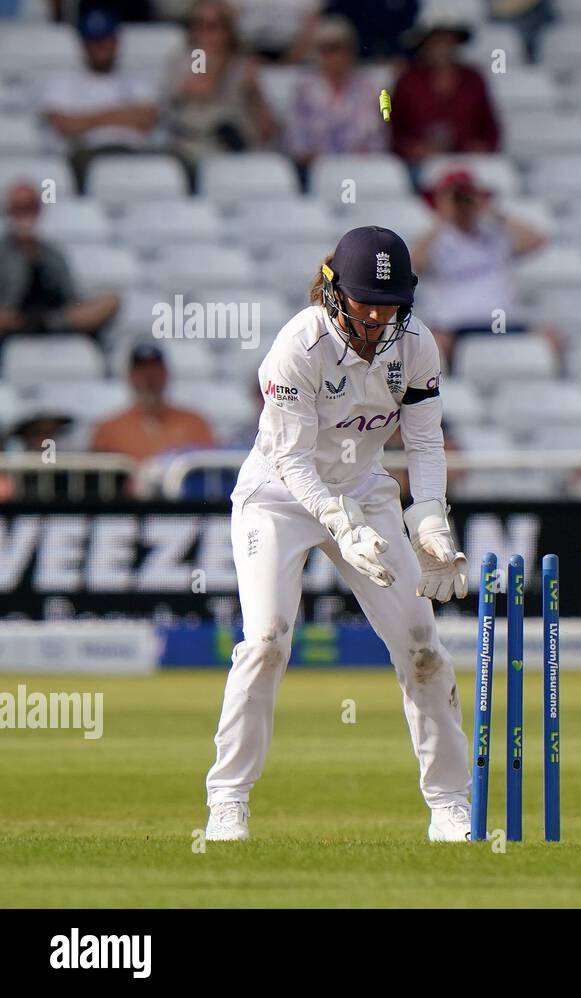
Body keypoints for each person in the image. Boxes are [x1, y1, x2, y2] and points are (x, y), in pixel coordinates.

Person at [204, 226, 473, 844]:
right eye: (364, 302)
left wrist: (429, 514)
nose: (378, 317)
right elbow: (294, 460)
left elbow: (425, 439)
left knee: (422, 645)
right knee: (267, 639)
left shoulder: (417, 345)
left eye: (391, 303)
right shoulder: (298, 346)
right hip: (278, 497)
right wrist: (339, 524)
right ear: (333, 290)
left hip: (366, 488)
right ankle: (228, 801)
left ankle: (450, 804)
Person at [410, 169, 549, 362]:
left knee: (549, 340)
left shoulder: (497, 235)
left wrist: (493, 212)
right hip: (455, 326)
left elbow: (538, 240)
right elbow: (416, 263)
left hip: (502, 321)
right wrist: (443, 216)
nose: (463, 203)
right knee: (434, 346)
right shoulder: (438, 239)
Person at [41, 8, 159, 186]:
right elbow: (63, 125)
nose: (100, 47)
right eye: (94, 41)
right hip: (86, 154)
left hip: (131, 151)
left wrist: (86, 119)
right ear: (83, 45)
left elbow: (146, 120)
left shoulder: (137, 79)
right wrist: (122, 114)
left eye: (105, 40)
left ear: (116, 42)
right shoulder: (63, 81)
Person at [161, 0, 276, 171]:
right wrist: (222, 57)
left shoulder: (242, 62)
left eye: (212, 26)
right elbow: (203, 86)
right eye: (197, 24)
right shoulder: (195, 55)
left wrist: (253, 91)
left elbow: (267, 129)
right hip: (194, 147)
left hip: (236, 148)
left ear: (228, 30)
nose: (203, 32)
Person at [0, 181, 121, 341]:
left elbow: (71, 299)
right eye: (19, 209)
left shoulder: (53, 255)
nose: (24, 216)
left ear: (38, 211)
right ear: (10, 212)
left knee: (111, 301)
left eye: (29, 208)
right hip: (13, 320)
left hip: (54, 319)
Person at [390, 11, 501, 165]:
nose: (442, 48)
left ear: (456, 43)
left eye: (447, 41)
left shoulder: (473, 79)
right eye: (436, 41)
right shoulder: (407, 80)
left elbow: (490, 127)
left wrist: (481, 147)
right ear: (424, 44)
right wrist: (410, 148)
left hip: (468, 162)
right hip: (418, 165)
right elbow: (393, 127)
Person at [283, 16, 387, 176]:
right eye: (326, 49)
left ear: (351, 50)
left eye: (339, 48)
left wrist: (352, 161)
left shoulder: (370, 89)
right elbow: (294, 137)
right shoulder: (303, 89)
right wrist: (318, 160)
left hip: (359, 169)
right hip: (314, 170)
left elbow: (376, 136)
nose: (334, 55)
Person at [91, 343, 215, 462]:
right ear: (130, 377)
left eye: (154, 370)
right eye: (142, 372)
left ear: (166, 374)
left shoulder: (194, 424)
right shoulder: (109, 430)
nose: (149, 379)